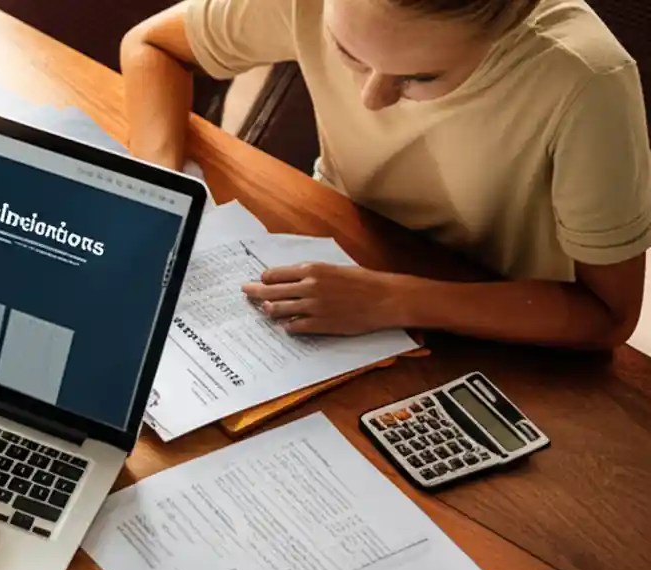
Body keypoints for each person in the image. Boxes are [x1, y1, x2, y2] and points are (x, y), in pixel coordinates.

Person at [122, 0, 649, 348]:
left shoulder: (587, 82)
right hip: (338, 250)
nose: (373, 100)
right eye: (348, 53)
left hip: (497, 324)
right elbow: (152, 45)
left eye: (420, 77)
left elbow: (609, 314)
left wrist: (392, 299)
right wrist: (160, 188)